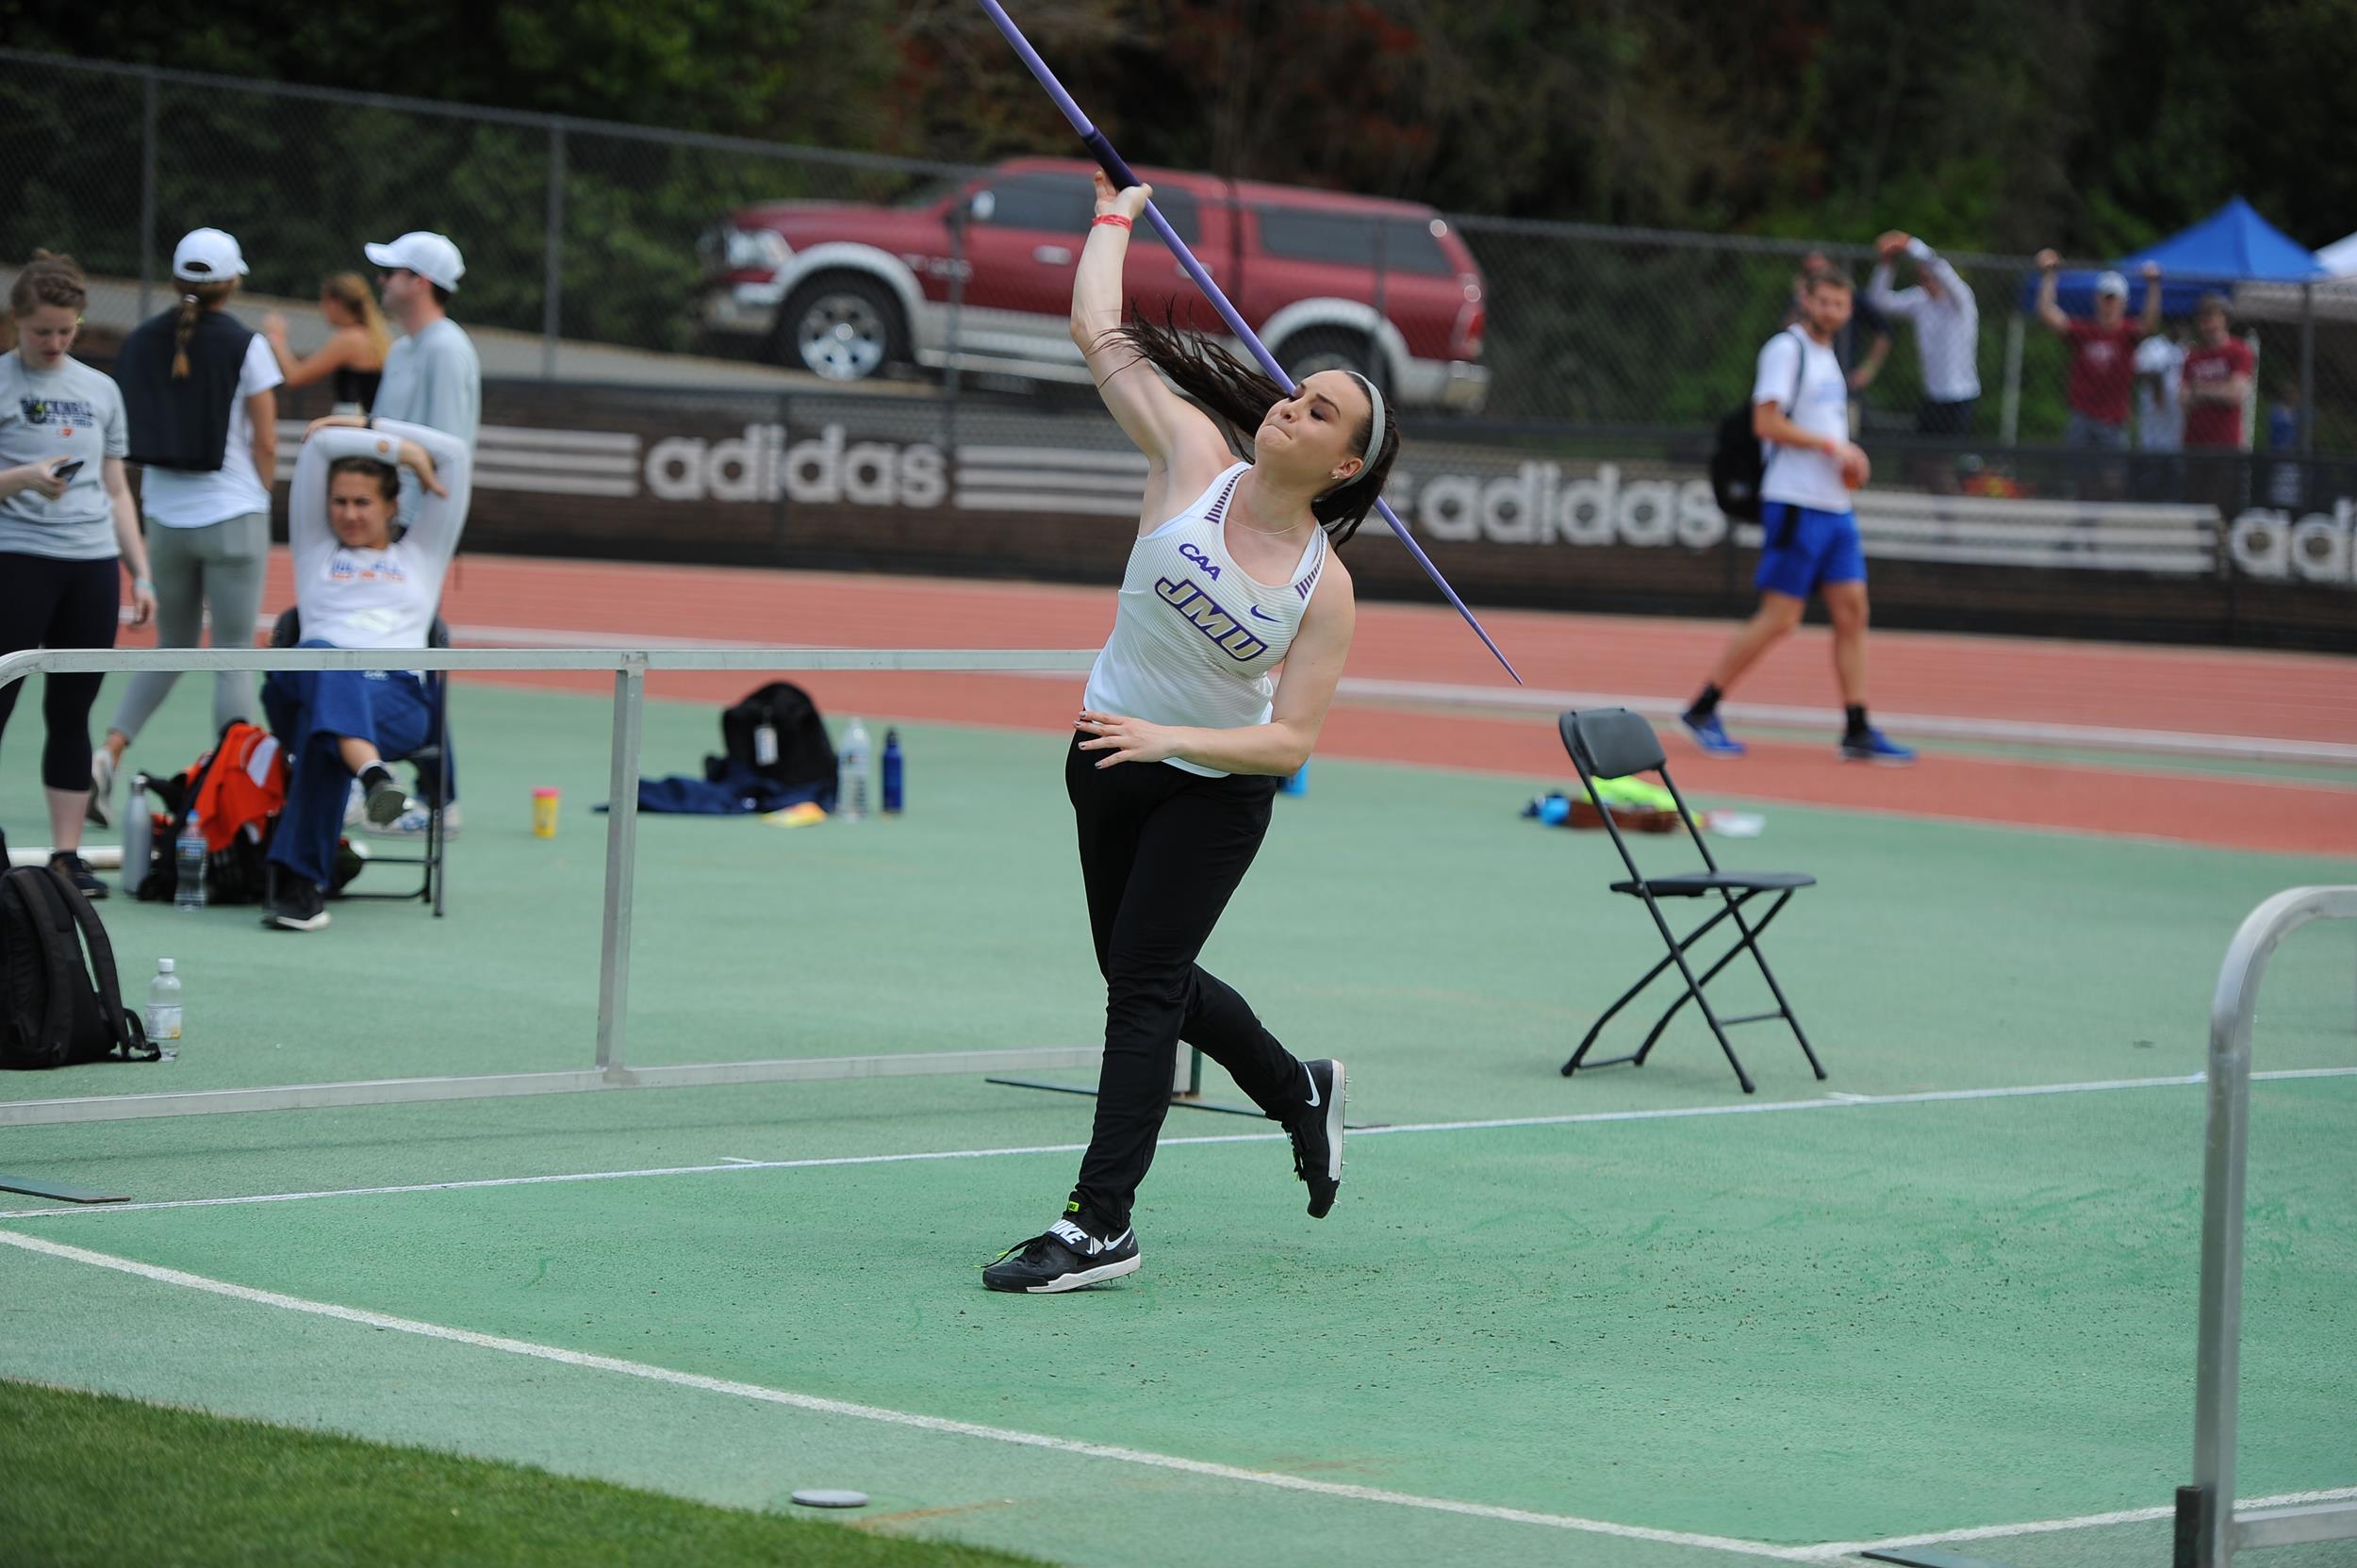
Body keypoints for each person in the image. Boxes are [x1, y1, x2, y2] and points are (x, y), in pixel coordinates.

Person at [981, 172, 1382, 1295]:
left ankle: (1099, 1222)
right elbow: (1094, 328)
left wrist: (1168, 737)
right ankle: (1296, 1088)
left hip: (1211, 787)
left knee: (1141, 985)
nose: (1290, 408)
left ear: (1343, 467)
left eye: (1319, 413)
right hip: (1107, 760)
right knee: (1142, 972)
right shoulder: (1192, 459)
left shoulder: (1325, 585)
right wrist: (1114, 214)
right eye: (1296, 392)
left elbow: (1290, 741)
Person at [1680, 267, 1913, 766]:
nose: (1831, 311)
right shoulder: (1786, 350)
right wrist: (1832, 446)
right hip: (1796, 504)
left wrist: (1849, 458)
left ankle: (1857, 726)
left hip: (1835, 508)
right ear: (1806, 300)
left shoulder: (1831, 357)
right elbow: (1767, 423)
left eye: (1840, 304)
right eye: (1823, 301)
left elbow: (1825, 431)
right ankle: (1703, 707)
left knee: (1853, 613)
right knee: (1781, 618)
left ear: (1850, 310)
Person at [92, 228, 281, 829]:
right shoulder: (249, 345)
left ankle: (110, 750)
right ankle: (232, 791)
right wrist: (262, 493)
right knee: (232, 658)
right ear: (233, 282)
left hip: (164, 517)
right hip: (233, 516)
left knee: (170, 650)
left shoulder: (144, 338)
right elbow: (268, 441)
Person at [260, 417, 470, 932]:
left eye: (362, 503)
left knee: (325, 734)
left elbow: (455, 457)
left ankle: (300, 887)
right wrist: (396, 446)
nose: (348, 515)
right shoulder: (316, 548)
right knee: (328, 653)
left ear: (393, 505)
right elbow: (318, 447)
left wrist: (380, 434)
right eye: (339, 502)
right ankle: (375, 778)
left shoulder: (421, 555)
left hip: (396, 700)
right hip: (308, 677)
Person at [0, 252, 157, 894]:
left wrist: (139, 571)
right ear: (17, 321)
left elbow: (116, 488)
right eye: (43, 331)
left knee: (73, 708)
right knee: (1, 701)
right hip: (17, 558)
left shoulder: (100, 389)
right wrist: (25, 479)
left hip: (90, 564)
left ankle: (67, 855)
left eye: (67, 331)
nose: (56, 342)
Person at [360, 230, 478, 839]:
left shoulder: (444, 349)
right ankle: (400, 781)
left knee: (410, 650)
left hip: (414, 529)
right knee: (388, 648)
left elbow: (447, 454)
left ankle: (440, 796)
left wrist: (417, 533)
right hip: (389, 523)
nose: (382, 282)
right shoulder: (407, 348)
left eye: (393, 272)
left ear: (421, 283)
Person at [2035, 253, 2163, 449]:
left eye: (2113, 299)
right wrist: (2049, 275)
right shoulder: (2085, 331)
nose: (2108, 305)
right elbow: (2047, 313)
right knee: (2076, 473)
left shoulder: (2128, 332)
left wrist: (2153, 285)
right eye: (2105, 298)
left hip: (2114, 419)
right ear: (2096, 299)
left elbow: (2150, 323)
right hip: (2082, 415)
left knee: (2112, 475)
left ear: (2123, 302)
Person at [1864, 232, 1980, 435]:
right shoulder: (1919, 300)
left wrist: (1910, 244)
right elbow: (1879, 302)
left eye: (1930, 277)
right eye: (1922, 278)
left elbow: (1941, 269)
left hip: (1960, 393)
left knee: (1948, 456)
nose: (1926, 282)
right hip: (1932, 392)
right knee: (1922, 454)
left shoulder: (1960, 301)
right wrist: (1886, 265)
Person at [259, 272, 388, 415]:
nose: (322, 309)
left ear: (336, 303)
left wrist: (277, 337)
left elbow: (295, 377)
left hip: (355, 423)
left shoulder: (349, 340)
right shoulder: (370, 335)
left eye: (324, 302)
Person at [1791, 251, 1888, 402]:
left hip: (1845, 382)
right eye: (1810, 272)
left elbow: (1883, 332)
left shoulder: (1827, 352)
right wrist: (1801, 302)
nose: (1831, 312)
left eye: (1839, 305)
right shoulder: (1789, 347)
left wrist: (1868, 368)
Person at [2181, 294, 2255, 451]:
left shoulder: (2239, 351)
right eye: (2202, 317)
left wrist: (2199, 390)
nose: (2205, 322)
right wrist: (2219, 390)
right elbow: (2183, 398)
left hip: (2225, 442)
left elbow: (2234, 394)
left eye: (2211, 315)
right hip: (2194, 441)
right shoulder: (2193, 356)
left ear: (2224, 318)